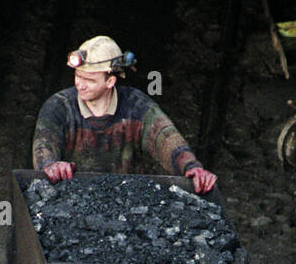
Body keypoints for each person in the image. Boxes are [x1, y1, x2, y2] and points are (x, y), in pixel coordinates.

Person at [32, 35, 218, 194]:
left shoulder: (137, 107)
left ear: (110, 81)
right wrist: (50, 165)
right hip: (70, 195)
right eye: (77, 76)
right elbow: (44, 145)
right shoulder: (58, 106)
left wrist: (191, 168)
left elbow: (166, 138)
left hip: (126, 198)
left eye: (89, 80)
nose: (80, 84)